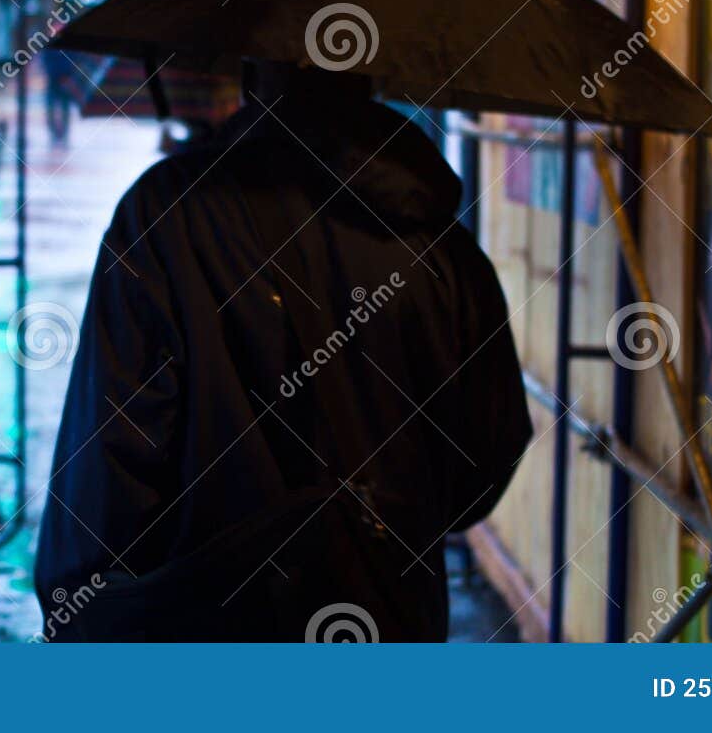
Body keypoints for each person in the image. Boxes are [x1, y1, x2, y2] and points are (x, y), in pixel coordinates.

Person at [34, 61, 531, 642]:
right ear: (366, 78)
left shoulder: (166, 215)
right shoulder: (445, 248)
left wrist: (80, 605)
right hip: (391, 616)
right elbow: (486, 455)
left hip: (209, 628)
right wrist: (380, 523)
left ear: (250, 79)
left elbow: (111, 456)